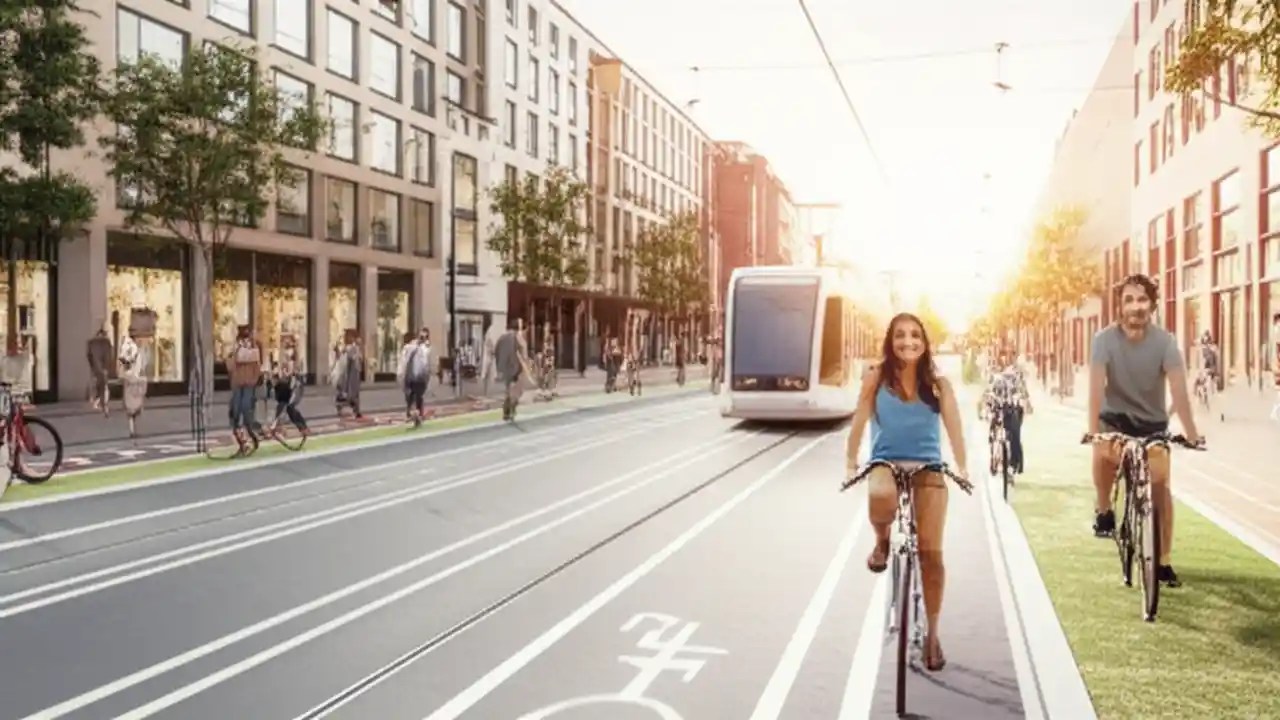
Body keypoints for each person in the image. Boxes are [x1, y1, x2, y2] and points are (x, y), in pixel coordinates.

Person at [845, 312, 968, 672]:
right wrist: (851, 462)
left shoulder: (939, 385)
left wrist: (962, 467)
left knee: (932, 555)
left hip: (928, 466)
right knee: (880, 496)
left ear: (925, 342)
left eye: (915, 335)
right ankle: (881, 541)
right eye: (900, 335)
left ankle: (932, 634)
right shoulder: (875, 378)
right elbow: (858, 421)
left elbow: (956, 430)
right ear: (890, 340)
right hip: (886, 461)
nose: (908, 342)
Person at [1088, 273, 1201, 588]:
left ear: (1152, 304)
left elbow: (1179, 392)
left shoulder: (1165, 342)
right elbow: (1096, 389)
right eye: (1129, 300)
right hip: (1114, 420)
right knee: (1103, 451)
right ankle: (1104, 508)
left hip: (1153, 426)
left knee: (1161, 490)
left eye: (1142, 300)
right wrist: (1093, 430)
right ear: (1120, 306)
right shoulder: (1103, 341)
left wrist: (1191, 432)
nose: (1136, 306)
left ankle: (1163, 562)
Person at [979, 348, 1032, 474]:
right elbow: (988, 391)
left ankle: (1015, 464)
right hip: (998, 405)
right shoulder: (993, 372)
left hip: (1013, 407)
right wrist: (986, 406)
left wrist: (1023, 402)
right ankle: (994, 455)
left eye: (1008, 356)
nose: (1005, 359)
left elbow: (1023, 391)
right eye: (1003, 357)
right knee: (993, 425)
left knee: (1014, 434)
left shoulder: (1017, 373)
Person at [492, 317, 528, 421]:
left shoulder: (502, 338)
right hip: (515, 369)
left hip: (504, 369)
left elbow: (496, 351)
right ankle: (511, 409)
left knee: (508, 391)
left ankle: (506, 412)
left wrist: (499, 365)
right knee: (517, 391)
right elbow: (522, 354)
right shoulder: (517, 338)